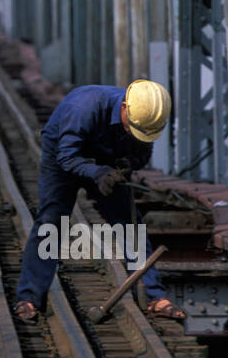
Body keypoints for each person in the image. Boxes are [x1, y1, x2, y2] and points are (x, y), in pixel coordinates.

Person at [13, 79, 184, 321]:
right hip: (64, 157)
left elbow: (142, 153)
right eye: (132, 128)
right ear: (124, 107)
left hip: (108, 159)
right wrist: (97, 172)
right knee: (51, 222)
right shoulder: (83, 108)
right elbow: (67, 156)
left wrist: (127, 166)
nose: (134, 134)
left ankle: (153, 295)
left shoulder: (145, 117)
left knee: (130, 224)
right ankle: (29, 297)